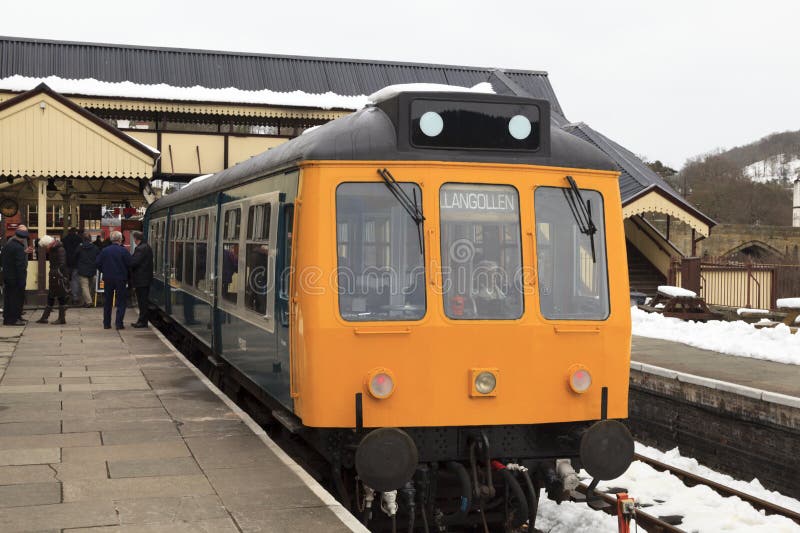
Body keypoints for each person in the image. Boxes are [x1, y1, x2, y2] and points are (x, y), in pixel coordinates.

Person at [95, 231, 131, 330]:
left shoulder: (105, 250)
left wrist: (104, 271)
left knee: (107, 301)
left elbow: (97, 263)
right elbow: (130, 264)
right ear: (120, 239)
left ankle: (107, 324)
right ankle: (119, 324)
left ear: (111, 240)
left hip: (108, 278)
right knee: (121, 302)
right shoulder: (124, 251)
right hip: (121, 279)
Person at [35, 235, 69, 325]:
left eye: (45, 246)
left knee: (60, 296)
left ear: (49, 244)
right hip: (54, 275)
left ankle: (61, 318)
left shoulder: (60, 249)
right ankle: (45, 317)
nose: (45, 248)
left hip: (58, 276)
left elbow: (62, 264)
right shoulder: (54, 249)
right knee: (51, 294)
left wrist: (58, 274)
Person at [2, 228, 29, 326]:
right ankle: (14, 319)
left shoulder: (7, 246)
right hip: (16, 278)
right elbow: (20, 266)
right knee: (16, 299)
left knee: (8, 299)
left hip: (7, 276)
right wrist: (22, 280)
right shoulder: (19, 248)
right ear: (23, 238)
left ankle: (7, 318)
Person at [129, 231, 153, 328]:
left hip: (141, 279)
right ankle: (142, 320)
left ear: (136, 239)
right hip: (145, 279)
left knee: (142, 302)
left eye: (134, 238)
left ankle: (142, 321)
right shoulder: (147, 247)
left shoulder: (140, 249)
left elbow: (134, 262)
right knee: (143, 301)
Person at [75, 233, 99, 307]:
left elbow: (75, 256)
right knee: (89, 286)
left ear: (83, 239)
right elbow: (98, 257)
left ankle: (88, 302)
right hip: (92, 269)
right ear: (90, 239)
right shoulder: (95, 247)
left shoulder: (80, 247)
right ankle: (86, 301)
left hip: (82, 269)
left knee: (84, 286)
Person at [62, 228, 82, 303]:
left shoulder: (64, 239)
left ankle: (66, 295)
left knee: (65, 280)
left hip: (66, 262)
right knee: (75, 280)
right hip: (76, 263)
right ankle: (75, 298)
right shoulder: (79, 239)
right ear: (75, 232)